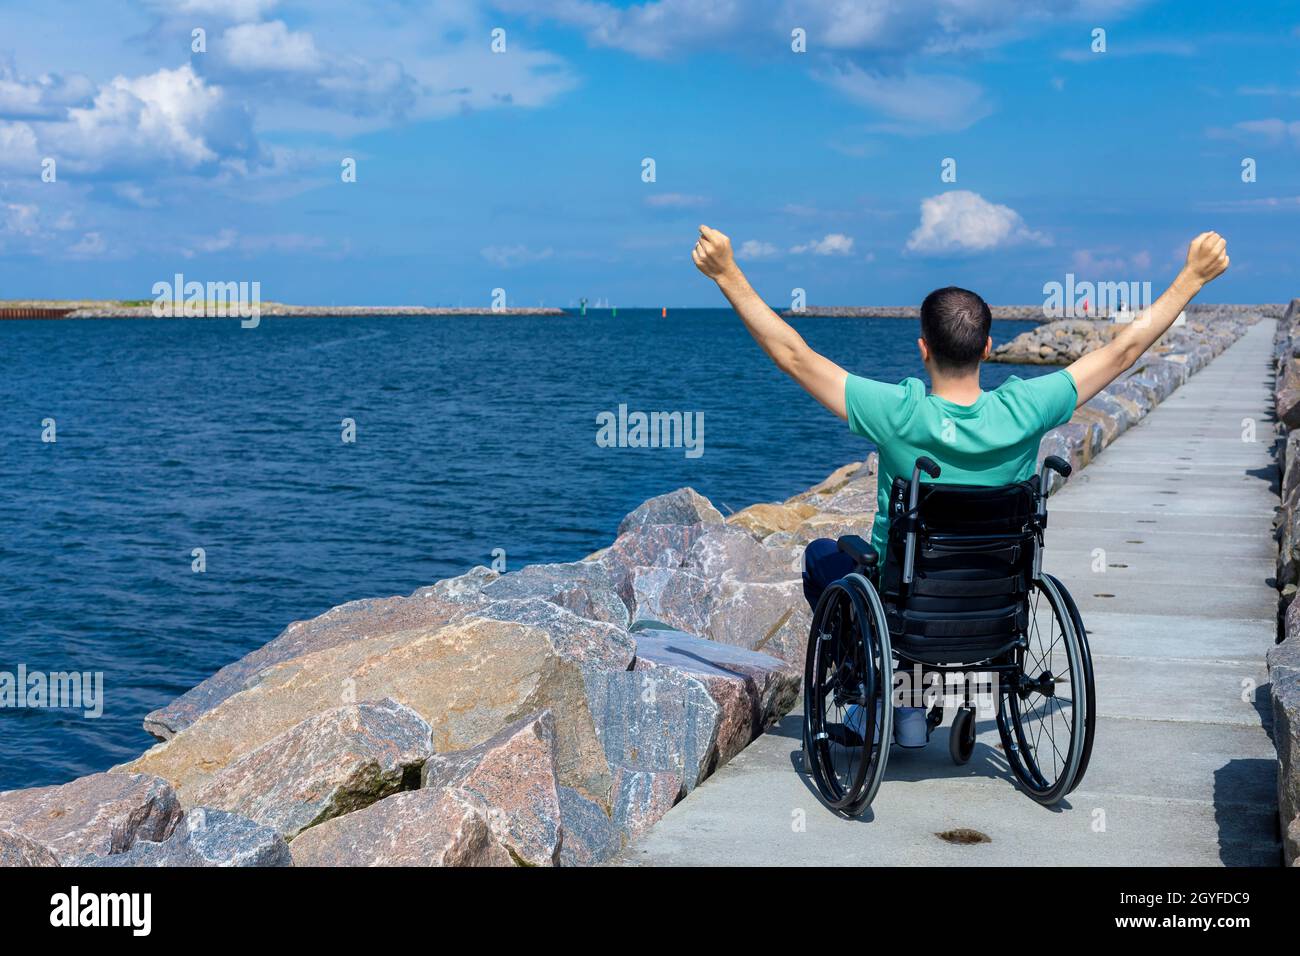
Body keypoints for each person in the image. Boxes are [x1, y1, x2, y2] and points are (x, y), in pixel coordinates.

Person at [692, 225, 1229, 746]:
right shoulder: (1026, 408)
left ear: (923, 349)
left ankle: (884, 698)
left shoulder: (897, 413)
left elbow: (793, 355)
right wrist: (1191, 278)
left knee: (820, 559)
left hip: (903, 606)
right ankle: (916, 697)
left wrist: (727, 273)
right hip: (994, 603)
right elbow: (1122, 352)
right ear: (989, 347)